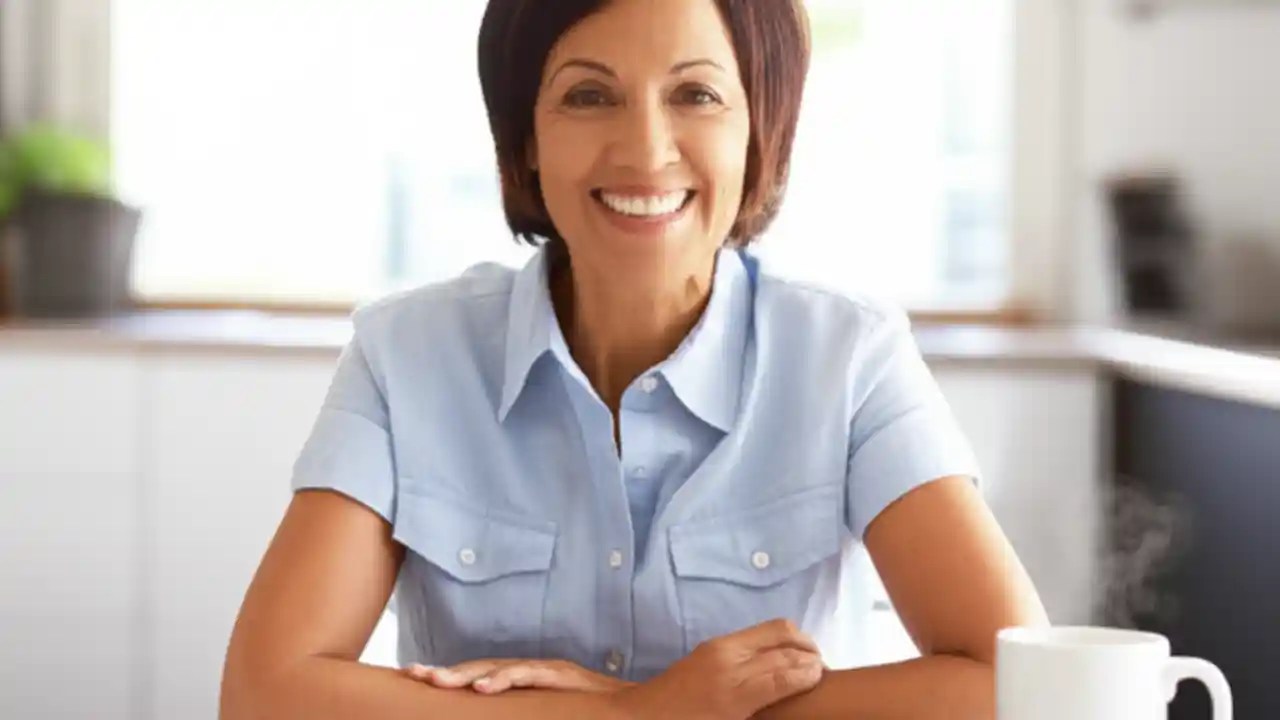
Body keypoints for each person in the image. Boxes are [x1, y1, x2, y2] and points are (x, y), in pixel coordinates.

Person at [220, 0, 1048, 718]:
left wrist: (686, 707)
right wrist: (646, 714)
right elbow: (266, 695)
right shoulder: (404, 358)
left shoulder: (850, 357)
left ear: (759, 126)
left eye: (696, 94)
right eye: (588, 95)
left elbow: (1023, 689)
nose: (646, 149)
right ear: (526, 139)